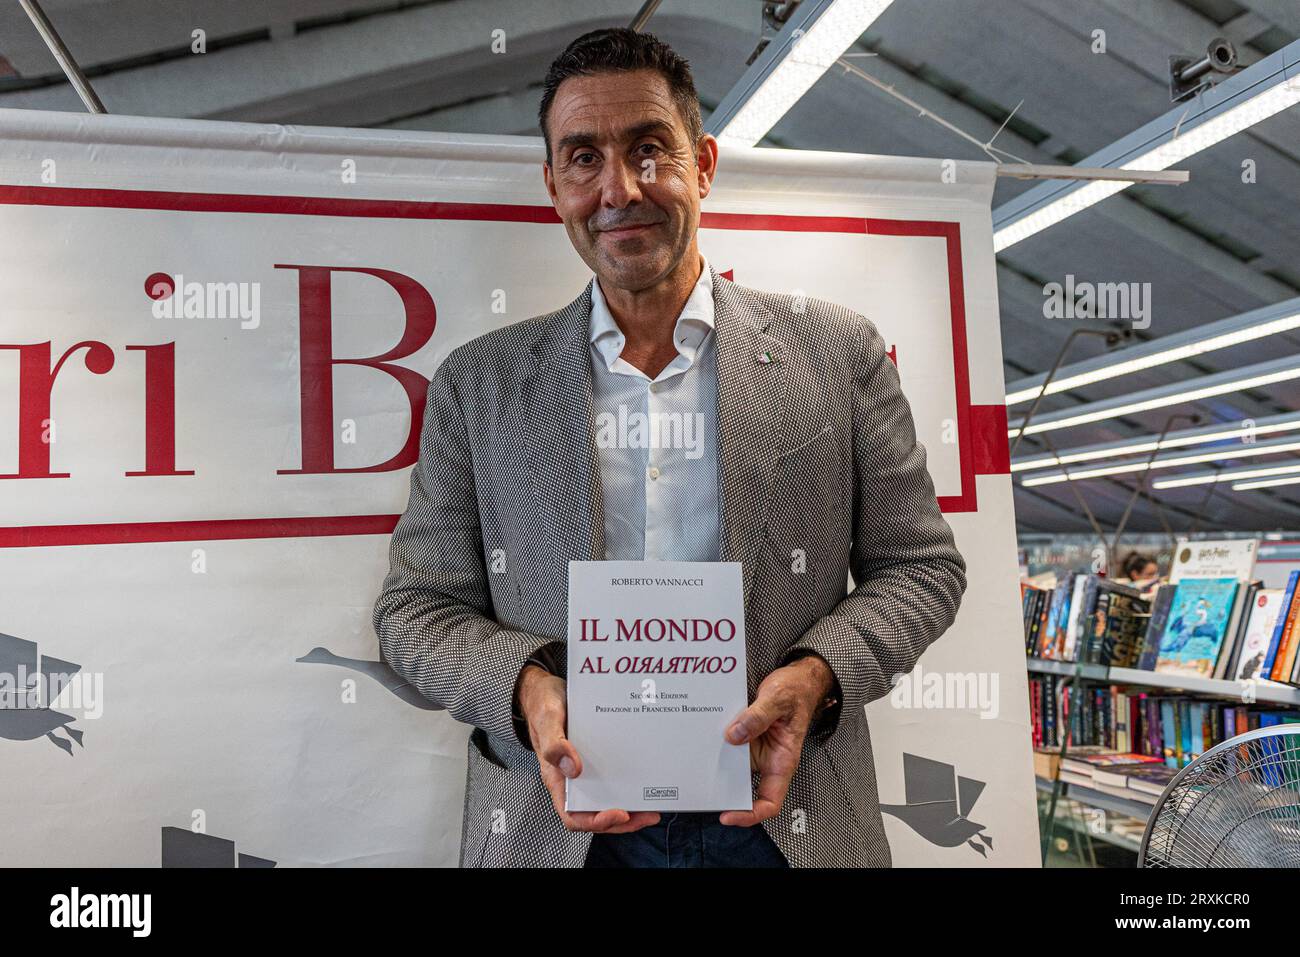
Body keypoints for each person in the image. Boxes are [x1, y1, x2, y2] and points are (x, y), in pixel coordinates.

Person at [372, 27, 967, 868]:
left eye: (650, 150)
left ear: (705, 164)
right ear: (553, 185)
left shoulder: (837, 353)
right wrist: (526, 687)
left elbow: (922, 568)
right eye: (584, 158)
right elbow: (413, 614)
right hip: (564, 829)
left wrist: (816, 674)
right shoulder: (480, 384)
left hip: (782, 818)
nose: (619, 188)